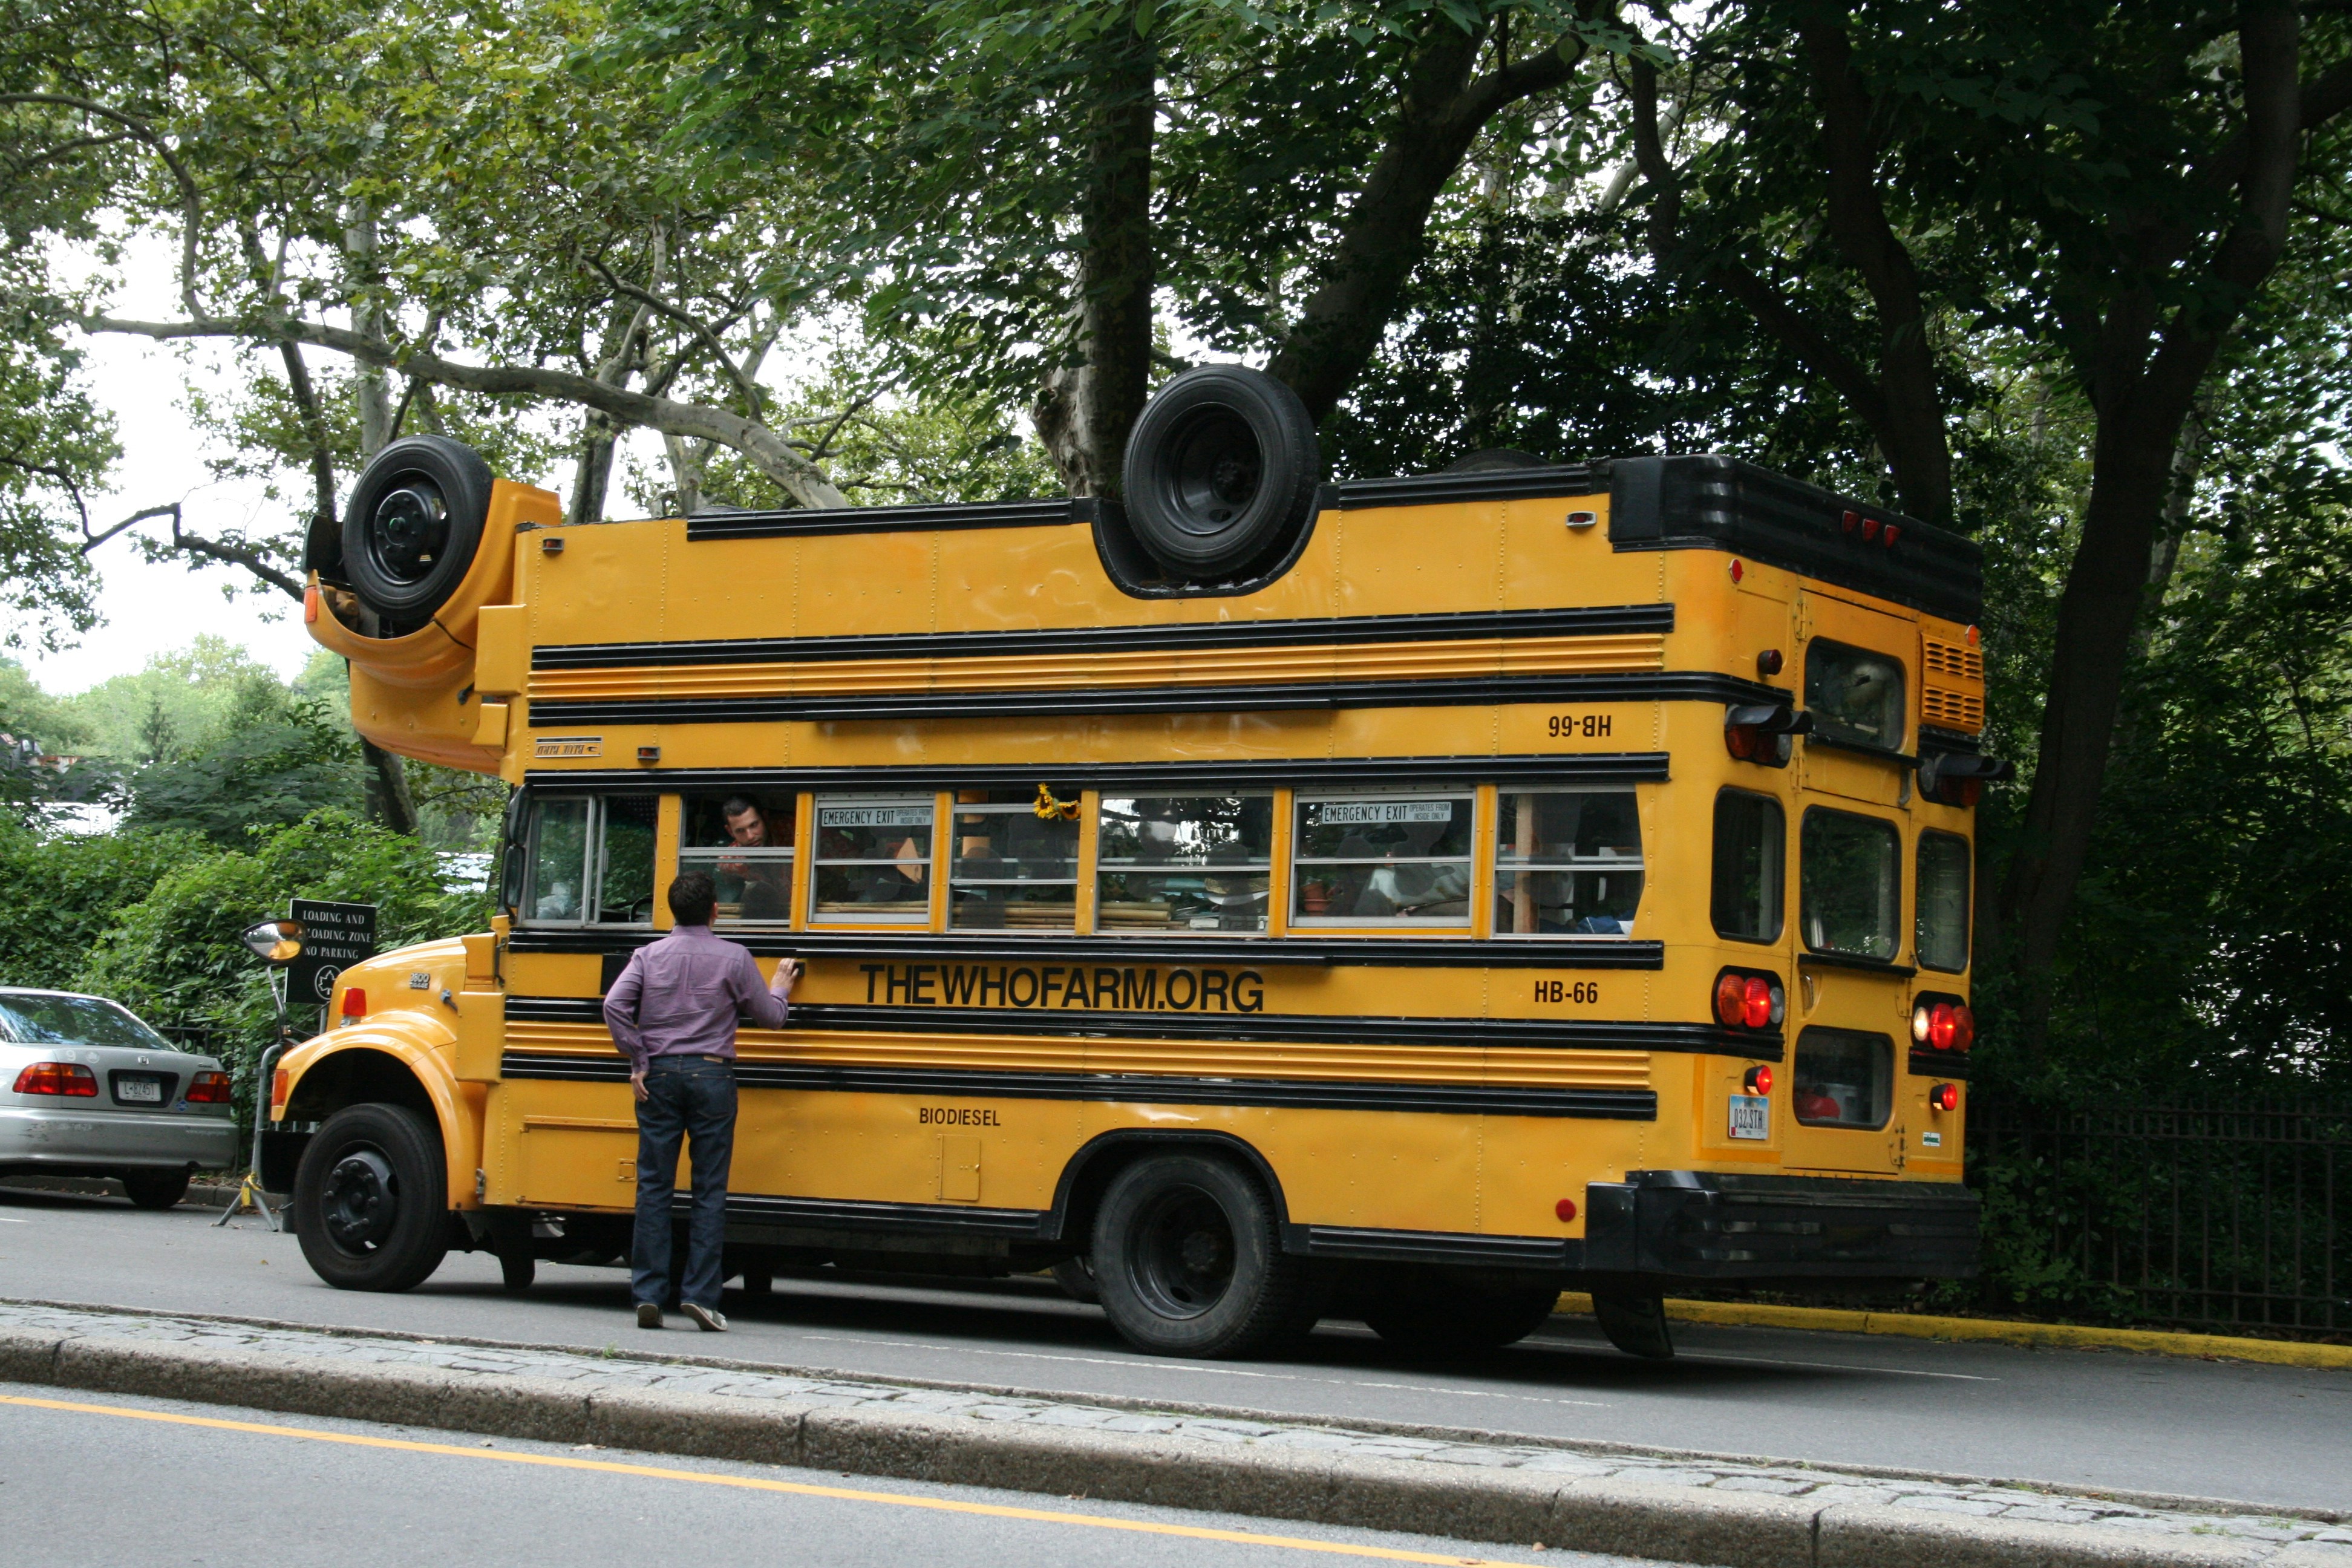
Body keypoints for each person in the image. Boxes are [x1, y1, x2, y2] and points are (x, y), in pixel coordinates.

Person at [602, 869, 799, 1331]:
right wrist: (782, 989)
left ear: (673, 910)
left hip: (659, 1077)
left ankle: (648, 1295)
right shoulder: (734, 957)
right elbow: (770, 1018)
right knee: (708, 1190)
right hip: (712, 1075)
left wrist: (638, 1057)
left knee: (654, 1187)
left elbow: (614, 1005)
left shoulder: (648, 956)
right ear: (715, 910)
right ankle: (700, 1297)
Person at [716, 796, 792, 921]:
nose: (750, 836)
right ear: (730, 831)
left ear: (765, 817)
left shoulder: (793, 829)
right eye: (740, 831)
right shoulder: (731, 861)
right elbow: (723, 863)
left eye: (754, 825)